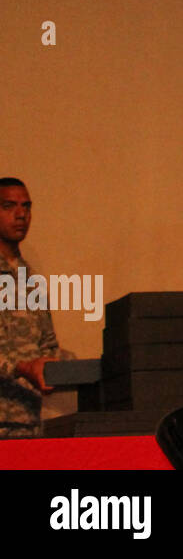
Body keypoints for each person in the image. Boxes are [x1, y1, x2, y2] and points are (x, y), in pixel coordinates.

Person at [0, 178, 64, 438]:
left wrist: (55, 368)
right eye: (9, 206)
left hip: (27, 424)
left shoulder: (31, 280)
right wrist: (21, 368)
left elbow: (48, 344)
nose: (21, 214)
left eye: (26, 206)